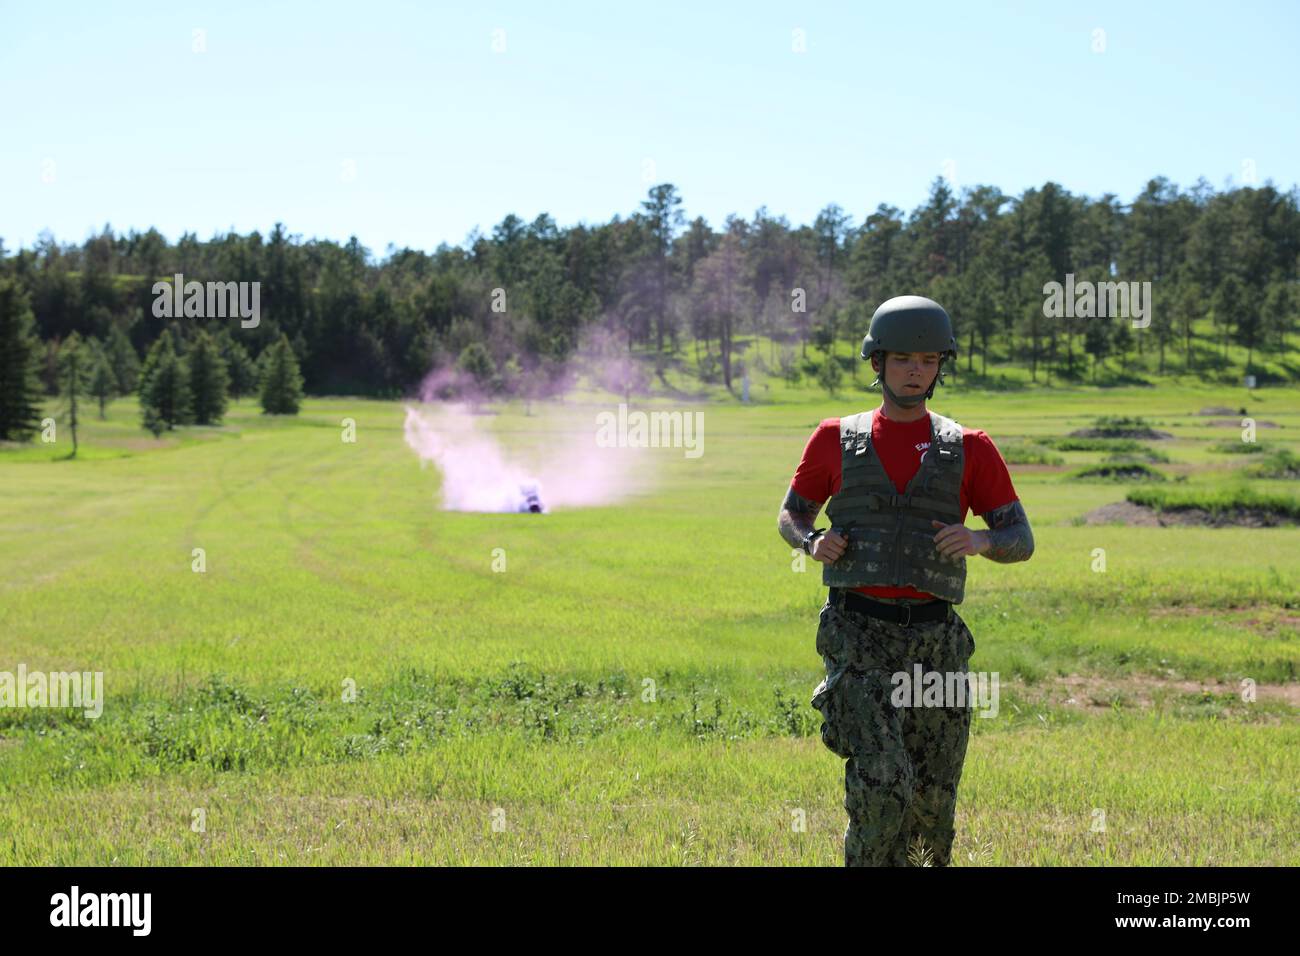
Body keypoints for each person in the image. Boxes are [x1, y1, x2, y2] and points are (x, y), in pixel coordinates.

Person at [776, 294, 1035, 866]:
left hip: (936, 645)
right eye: (902, 360)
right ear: (876, 363)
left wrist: (981, 540)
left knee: (931, 806)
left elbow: (1021, 538)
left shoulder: (970, 448)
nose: (915, 371)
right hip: (859, 635)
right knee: (883, 784)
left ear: (941, 365)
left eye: (927, 360)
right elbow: (791, 514)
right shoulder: (833, 439)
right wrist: (812, 541)